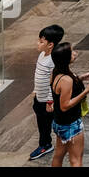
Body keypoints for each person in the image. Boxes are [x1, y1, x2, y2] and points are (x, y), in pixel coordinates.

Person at [49, 42, 89, 167]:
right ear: (65, 59)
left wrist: (80, 78)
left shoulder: (57, 73)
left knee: (59, 155)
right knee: (76, 160)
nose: (75, 53)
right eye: (71, 52)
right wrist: (87, 90)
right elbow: (65, 105)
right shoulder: (66, 80)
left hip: (59, 122)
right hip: (70, 124)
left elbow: (63, 91)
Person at [29, 24, 65, 163]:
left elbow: (53, 82)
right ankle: (46, 142)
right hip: (39, 97)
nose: (37, 44)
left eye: (41, 41)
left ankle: (45, 145)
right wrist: (36, 90)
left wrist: (50, 101)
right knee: (41, 121)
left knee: (46, 123)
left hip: (47, 101)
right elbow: (39, 75)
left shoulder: (53, 60)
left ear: (50, 45)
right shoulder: (42, 55)